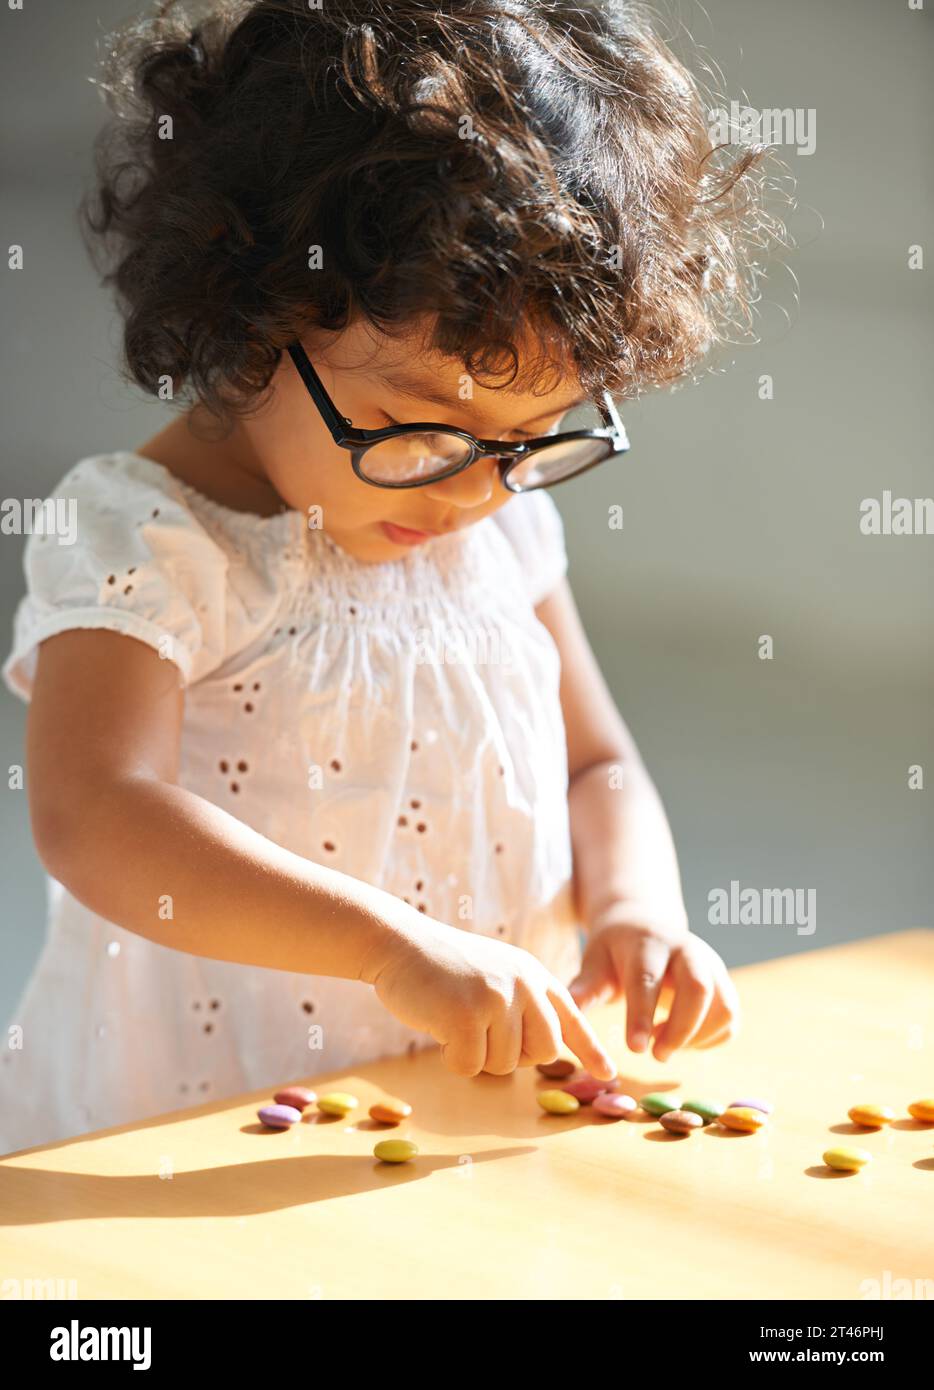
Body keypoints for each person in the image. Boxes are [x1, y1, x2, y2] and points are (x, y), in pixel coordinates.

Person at [1, 0, 766, 1153]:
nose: (471, 493)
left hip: (457, 1096)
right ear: (254, 315)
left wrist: (634, 907)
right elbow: (96, 813)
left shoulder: (490, 526)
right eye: (416, 432)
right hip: (202, 1121)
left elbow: (598, 763)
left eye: (532, 441)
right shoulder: (152, 538)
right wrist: (384, 945)